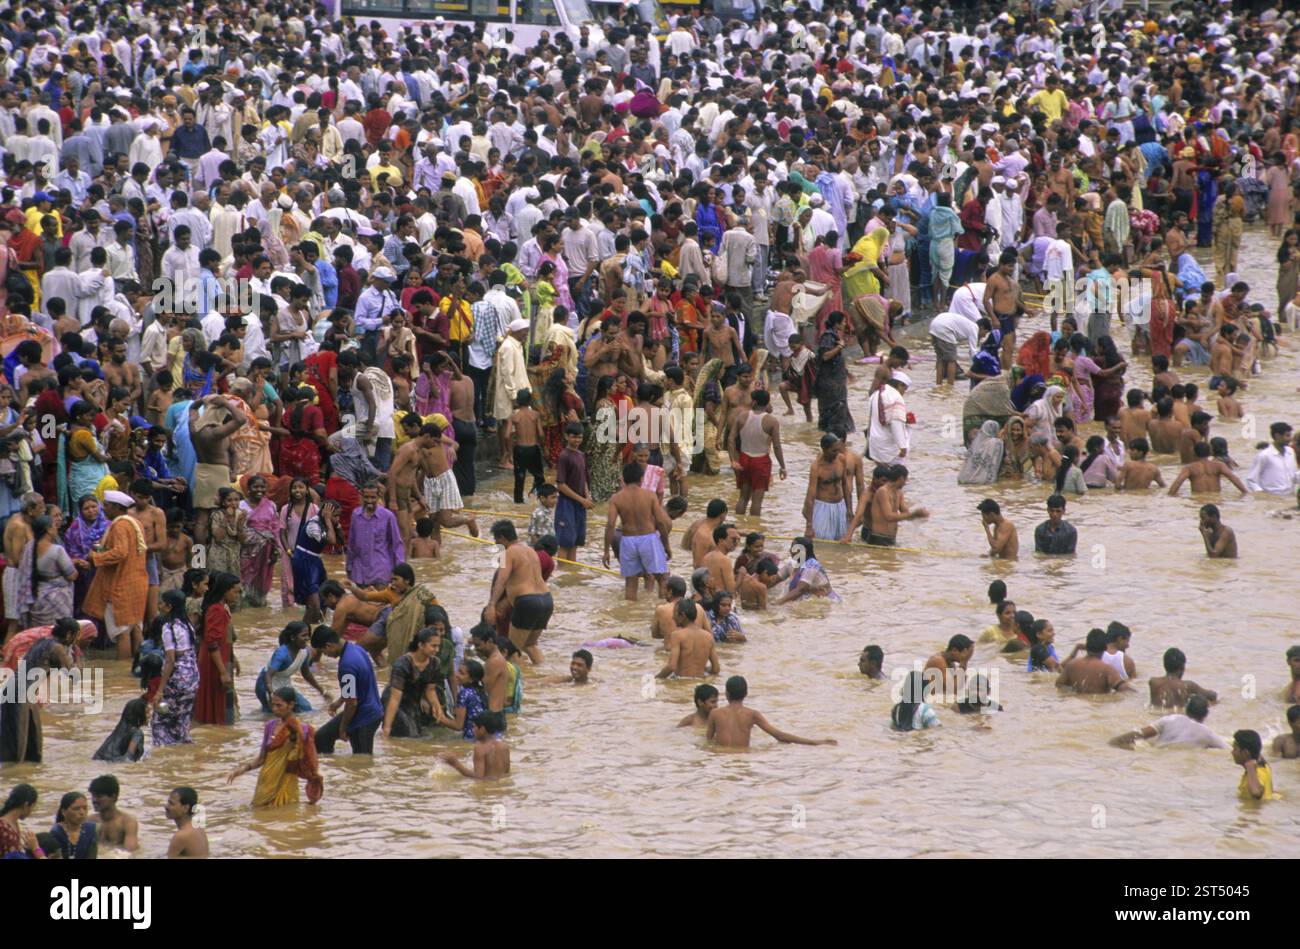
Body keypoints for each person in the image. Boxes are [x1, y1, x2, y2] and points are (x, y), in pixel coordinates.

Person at [78, 490, 149, 660]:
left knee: (122, 633)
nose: (104, 510)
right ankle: (138, 669)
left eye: (107, 506)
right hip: (138, 582)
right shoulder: (135, 522)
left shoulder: (119, 525)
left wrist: (95, 558)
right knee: (136, 628)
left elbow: (120, 552)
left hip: (122, 585)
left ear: (117, 508)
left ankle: (122, 674)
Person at [226, 686, 324, 807]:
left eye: (279, 705)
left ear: (291, 705)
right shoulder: (270, 726)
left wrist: (314, 781)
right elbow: (262, 758)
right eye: (273, 705)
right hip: (266, 781)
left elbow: (309, 760)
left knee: (287, 816)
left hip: (287, 784)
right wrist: (243, 769)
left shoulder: (302, 729)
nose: (274, 709)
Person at [486, 519, 554, 664]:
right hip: (547, 600)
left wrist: (491, 605)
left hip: (527, 602)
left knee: (511, 651)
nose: (495, 545)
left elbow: (501, 580)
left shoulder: (508, 553)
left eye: (496, 541)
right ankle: (542, 676)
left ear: (502, 538)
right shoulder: (531, 550)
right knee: (529, 645)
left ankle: (520, 684)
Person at [311, 625, 383, 756]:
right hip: (371, 709)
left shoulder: (347, 666)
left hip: (364, 718)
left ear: (328, 646)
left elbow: (352, 703)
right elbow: (353, 689)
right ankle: (330, 766)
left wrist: (343, 728)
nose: (326, 655)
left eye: (323, 652)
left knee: (362, 762)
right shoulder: (356, 649)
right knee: (321, 737)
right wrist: (338, 703)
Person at [604, 463, 672, 602]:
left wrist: (606, 551)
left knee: (631, 582)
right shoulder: (650, 496)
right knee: (662, 577)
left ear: (623, 479)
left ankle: (631, 618)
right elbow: (660, 522)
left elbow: (610, 524)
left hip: (628, 540)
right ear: (642, 479)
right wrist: (666, 545)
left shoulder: (616, 498)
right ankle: (664, 611)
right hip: (649, 539)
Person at [706, 675, 836, 748]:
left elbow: (708, 741)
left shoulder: (715, 713)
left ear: (727, 694)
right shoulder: (752, 714)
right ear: (746, 694)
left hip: (721, 762)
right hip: (742, 759)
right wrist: (815, 742)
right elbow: (779, 736)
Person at [152, 589, 199, 747]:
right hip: (192, 678)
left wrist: (160, 690)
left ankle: (165, 754)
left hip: (177, 679)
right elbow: (186, 651)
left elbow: (170, 660)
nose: (159, 605)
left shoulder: (168, 627)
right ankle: (183, 751)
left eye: (161, 602)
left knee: (159, 721)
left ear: (169, 606)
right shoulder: (187, 625)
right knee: (182, 720)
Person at [730, 389, 786, 516]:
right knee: (757, 501)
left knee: (743, 498)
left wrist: (733, 459)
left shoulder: (742, 416)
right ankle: (753, 529)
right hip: (761, 461)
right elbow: (777, 447)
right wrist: (782, 466)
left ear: (754, 401)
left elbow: (731, 439)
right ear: (767, 403)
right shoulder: (772, 421)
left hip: (743, 459)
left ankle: (739, 525)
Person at [194, 572, 240, 726]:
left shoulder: (221, 608)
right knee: (217, 706)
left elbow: (225, 640)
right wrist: (222, 672)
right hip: (214, 663)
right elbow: (212, 642)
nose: (237, 595)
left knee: (221, 703)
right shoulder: (216, 610)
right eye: (236, 591)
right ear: (225, 590)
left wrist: (234, 660)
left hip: (221, 659)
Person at [381, 627, 446, 738]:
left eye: (438, 646)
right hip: (395, 700)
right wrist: (386, 728)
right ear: (420, 645)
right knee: (408, 734)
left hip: (413, 700)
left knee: (417, 734)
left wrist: (437, 707)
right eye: (433, 646)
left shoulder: (435, 663)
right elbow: (395, 698)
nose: (437, 650)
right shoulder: (402, 664)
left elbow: (430, 690)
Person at [256, 622, 329, 714]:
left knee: (305, 708)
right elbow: (268, 675)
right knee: (274, 714)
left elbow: (306, 674)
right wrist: (272, 694)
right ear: (293, 637)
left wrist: (322, 691)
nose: (307, 638)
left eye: (308, 635)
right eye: (304, 635)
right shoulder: (282, 654)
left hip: (284, 683)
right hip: (266, 685)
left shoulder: (304, 652)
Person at [1109, 695, 1227, 750]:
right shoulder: (1208, 734)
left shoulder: (1170, 719)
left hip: (1158, 755)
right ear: (1206, 714)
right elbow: (1228, 751)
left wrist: (1115, 742)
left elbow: (1139, 734)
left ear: (1186, 709)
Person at [1056, 629, 1134, 694]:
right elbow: (1124, 689)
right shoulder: (1107, 669)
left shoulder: (1072, 665)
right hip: (1098, 707)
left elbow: (1059, 684)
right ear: (1105, 647)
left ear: (1087, 645)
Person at [657, 600, 719, 680]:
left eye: (675, 613)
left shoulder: (677, 635)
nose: (673, 617)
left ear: (682, 615)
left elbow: (671, 666)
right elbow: (716, 669)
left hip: (680, 684)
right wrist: (703, 670)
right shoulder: (708, 637)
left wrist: (656, 678)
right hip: (700, 682)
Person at [439, 711, 511, 779]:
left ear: (482, 729)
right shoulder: (505, 747)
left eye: (474, 727)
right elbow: (507, 774)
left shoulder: (480, 749)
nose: (473, 730)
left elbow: (478, 778)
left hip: (487, 791)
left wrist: (455, 763)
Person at [775, 537, 839, 603]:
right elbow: (773, 580)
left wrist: (778, 603)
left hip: (829, 602)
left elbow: (801, 589)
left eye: (793, 548)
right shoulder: (792, 564)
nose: (790, 550)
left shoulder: (812, 565)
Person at [1147, 648, 1218, 708]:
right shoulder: (1187, 685)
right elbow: (1212, 696)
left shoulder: (1153, 682)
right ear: (1182, 667)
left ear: (1164, 665)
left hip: (1157, 716)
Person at [87, 775, 138, 853]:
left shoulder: (127, 822)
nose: (94, 800)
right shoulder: (89, 821)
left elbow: (130, 852)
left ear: (113, 797)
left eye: (99, 796)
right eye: (93, 796)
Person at [92, 698, 147, 763]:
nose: (150, 714)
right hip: (113, 766)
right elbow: (128, 759)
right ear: (140, 715)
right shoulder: (137, 733)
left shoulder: (119, 729)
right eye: (147, 711)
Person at [48, 792, 98, 860]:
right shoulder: (56, 832)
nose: (82, 812)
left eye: (85, 808)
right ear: (64, 812)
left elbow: (92, 856)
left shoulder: (91, 829)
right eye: (76, 809)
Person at [1232, 730, 1278, 802]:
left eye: (1235, 749)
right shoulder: (1264, 766)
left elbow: (1256, 792)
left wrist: (1249, 765)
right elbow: (1257, 753)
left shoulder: (1257, 772)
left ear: (1245, 753)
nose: (1232, 752)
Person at [0, 784, 43, 858]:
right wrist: (36, 848)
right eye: (32, 807)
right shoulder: (3, 826)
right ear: (26, 805)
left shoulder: (14, 824)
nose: (31, 812)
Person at [165, 787, 209, 858]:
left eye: (171, 803)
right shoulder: (199, 828)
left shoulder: (180, 836)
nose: (166, 806)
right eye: (168, 802)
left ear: (185, 808)